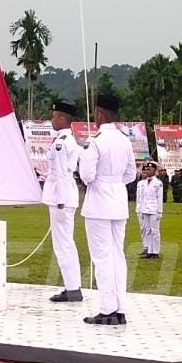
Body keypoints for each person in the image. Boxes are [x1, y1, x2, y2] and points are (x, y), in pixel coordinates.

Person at [78, 94, 137, 325]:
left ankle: (107, 309)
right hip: (119, 201)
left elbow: (86, 175)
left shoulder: (96, 141)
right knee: (117, 255)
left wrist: (101, 183)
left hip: (99, 204)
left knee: (102, 257)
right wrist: (113, 184)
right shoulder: (125, 140)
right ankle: (119, 308)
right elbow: (131, 173)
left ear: (100, 114)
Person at [42, 101, 83, 303]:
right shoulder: (68, 139)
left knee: (63, 244)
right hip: (66, 195)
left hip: (62, 196)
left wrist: (59, 199)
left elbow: (59, 173)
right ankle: (72, 286)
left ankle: (72, 288)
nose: (52, 120)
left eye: (54, 116)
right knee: (66, 243)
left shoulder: (60, 142)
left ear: (62, 118)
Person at [136, 162, 163, 260]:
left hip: (154, 209)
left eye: (150, 170)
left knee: (154, 231)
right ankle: (150, 251)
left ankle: (155, 251)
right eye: (146, 170)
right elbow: (141, 198)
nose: (147, 171)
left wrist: (159, 211)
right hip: (145, 209)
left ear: (155, 171)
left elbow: (159, 198)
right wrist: (140, 210)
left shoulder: (158, 183)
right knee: (147, 230)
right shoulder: (143, 183)